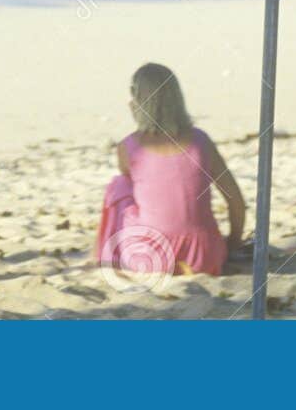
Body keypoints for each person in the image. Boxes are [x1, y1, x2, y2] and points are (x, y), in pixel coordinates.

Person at [96, 63, 245, 277]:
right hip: (204, 256)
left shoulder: (128, 147)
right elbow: (236, 201)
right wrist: (233, 243)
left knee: (120, 186)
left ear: (137, 101)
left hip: (149, 257)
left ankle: (109, 254)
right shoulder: (201, 141)